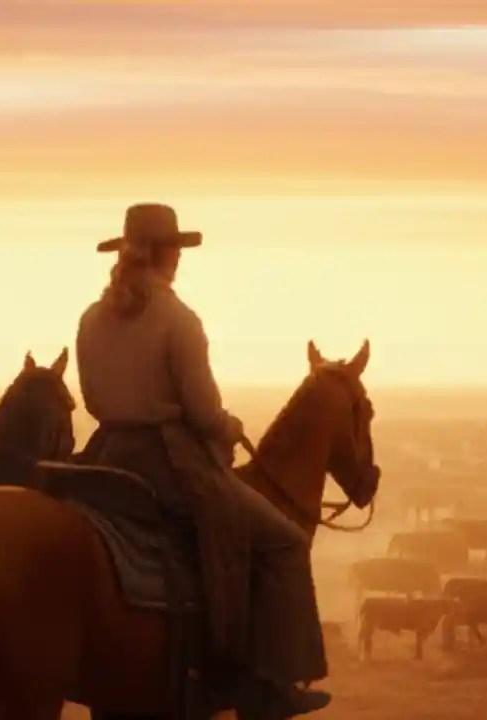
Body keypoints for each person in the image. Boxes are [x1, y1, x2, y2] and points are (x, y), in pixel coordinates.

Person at [73, 203, 330, 717]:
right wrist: (228, 427)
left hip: (105, 457)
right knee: (284, 541)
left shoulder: (91, 319)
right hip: (168, 463)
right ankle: (269, 683)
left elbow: (93, 399)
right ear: (169, 253)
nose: (179, 258)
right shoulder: (178, 319)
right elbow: (203, 411)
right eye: (177, 249)